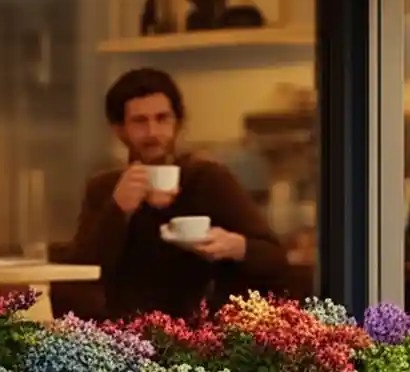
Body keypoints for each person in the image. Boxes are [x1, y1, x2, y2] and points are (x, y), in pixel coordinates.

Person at [70, 68, 291, 318]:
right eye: (140, 121)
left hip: (199, 332)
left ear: (178, 123)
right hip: (123, 333)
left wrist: (237, 247)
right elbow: (80, 274)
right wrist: (118, 209)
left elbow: (274, 258)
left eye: (162, 118)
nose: (153, 132)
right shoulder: (104, 187)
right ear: (119, 130)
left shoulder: (206, 178)